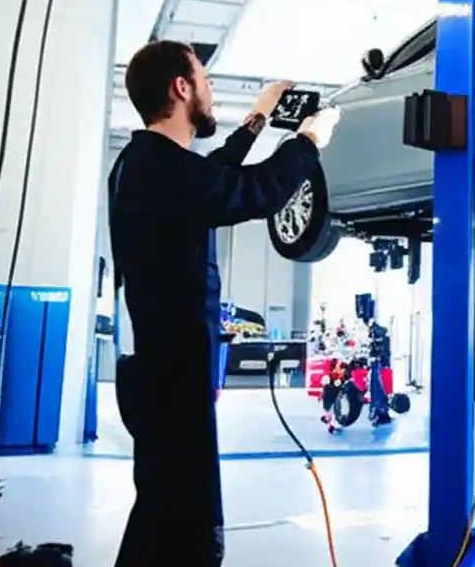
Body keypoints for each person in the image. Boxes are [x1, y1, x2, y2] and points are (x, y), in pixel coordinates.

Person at [107, 40, 340, 566]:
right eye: (205, 80)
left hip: (160, 372)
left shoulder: (142, 164)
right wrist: (309, 141)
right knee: (189, 531)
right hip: (173, 379)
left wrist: (259, 116)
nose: (211, 92)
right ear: (181, 87)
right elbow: (257, 190)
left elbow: (211, 176)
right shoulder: (161, 171)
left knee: (160, 514)